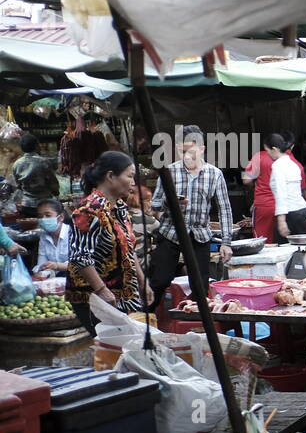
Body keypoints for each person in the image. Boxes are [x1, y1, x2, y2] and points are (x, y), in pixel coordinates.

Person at [148, 126, 234, 308]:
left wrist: (226, 242)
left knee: (200, 286)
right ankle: (145, 318)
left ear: (202, 149)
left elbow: (224, 209)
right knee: (159, 280)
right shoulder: (168, 172)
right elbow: (154, 205)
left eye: (191, 151)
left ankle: (197, 325)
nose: (187, 156)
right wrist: (170, 201)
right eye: (182, 151)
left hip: (199, 235)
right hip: (170, 232)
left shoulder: (214, 174)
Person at [67, 151, 150, 333]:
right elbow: (80, 257)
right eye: (130, 176)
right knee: (112, 347)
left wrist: (143, 281)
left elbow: (128, 247)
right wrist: (101, 290)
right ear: (111, 176)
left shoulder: (119, 207)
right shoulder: (88, 210)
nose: (133, 183)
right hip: (96, 298)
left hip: (123, 293)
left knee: (129, 346)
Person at [266, 133, 306, 242]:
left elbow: (281, 194)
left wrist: (281, 221)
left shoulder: (278, 166)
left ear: (274, 149)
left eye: (267, 150)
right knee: (305, 249)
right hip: (301, 210)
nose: (267, 154)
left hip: (290, 213)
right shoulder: (293, 164)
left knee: (285, 250)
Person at [10, 134, 58, 216]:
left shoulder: (16, 164)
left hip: (26, 205)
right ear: (36, 146)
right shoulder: (44, 162)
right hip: (44, 204)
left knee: (29, 228)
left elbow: (17, 185)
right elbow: (53, 183)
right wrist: (56, 192)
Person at [242, 137, 277, 242]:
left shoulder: (259, 156)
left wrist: (255, 181)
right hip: (285, 206)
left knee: (262, 241)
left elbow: (246, 180)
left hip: (264, 205)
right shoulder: (287, 158)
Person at [33, 199, 71, 278]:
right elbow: (41, 263)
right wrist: (40, 271)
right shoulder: (43, 236)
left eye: (48, 215)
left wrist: (57, 266)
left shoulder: (72, 233)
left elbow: (79, 264)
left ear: (61, 217)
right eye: (40, 216)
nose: (43, 219)